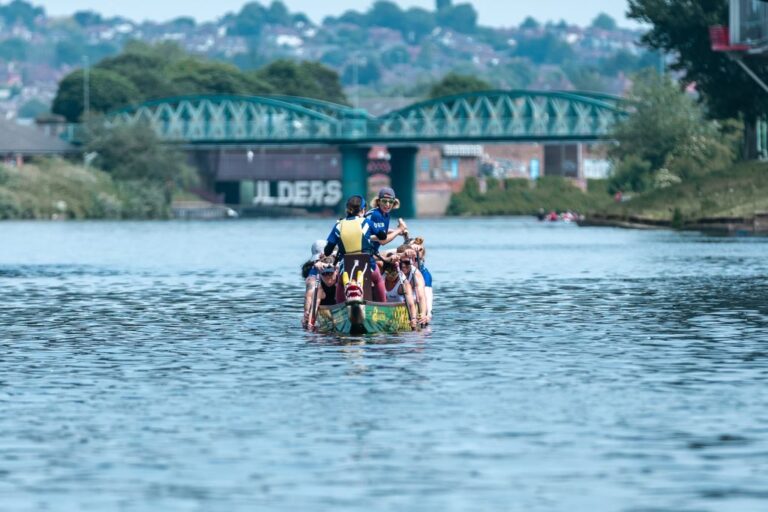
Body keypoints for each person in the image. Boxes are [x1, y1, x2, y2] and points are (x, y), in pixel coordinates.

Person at [323, 195, 387, 303]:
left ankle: (340, 307)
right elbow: (383, 237)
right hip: (368, 266)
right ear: (363, 210)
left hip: (346, 268)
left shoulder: (339, 225)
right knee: (378, 279)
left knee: (340, 283)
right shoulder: (366, 222)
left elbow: (327, 251)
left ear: (347, 210)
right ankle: (383, 305)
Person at [365, 187, 408, 255]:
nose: (387, 204)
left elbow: (378, 232)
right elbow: (383, 241)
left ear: (394, 203)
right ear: (378, 202)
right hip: (365, 253)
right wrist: (399, 229)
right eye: (384, 201)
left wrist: (394, 231)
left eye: (391, 201)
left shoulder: (385, 214)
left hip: (372, 252)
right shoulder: (376, 215)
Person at [302, 239, 328, 327]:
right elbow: (309, 292)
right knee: (312, 284)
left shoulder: (338, 262)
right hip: (320, 298)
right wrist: (307, 312)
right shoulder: (313, 270)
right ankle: (307, 314)